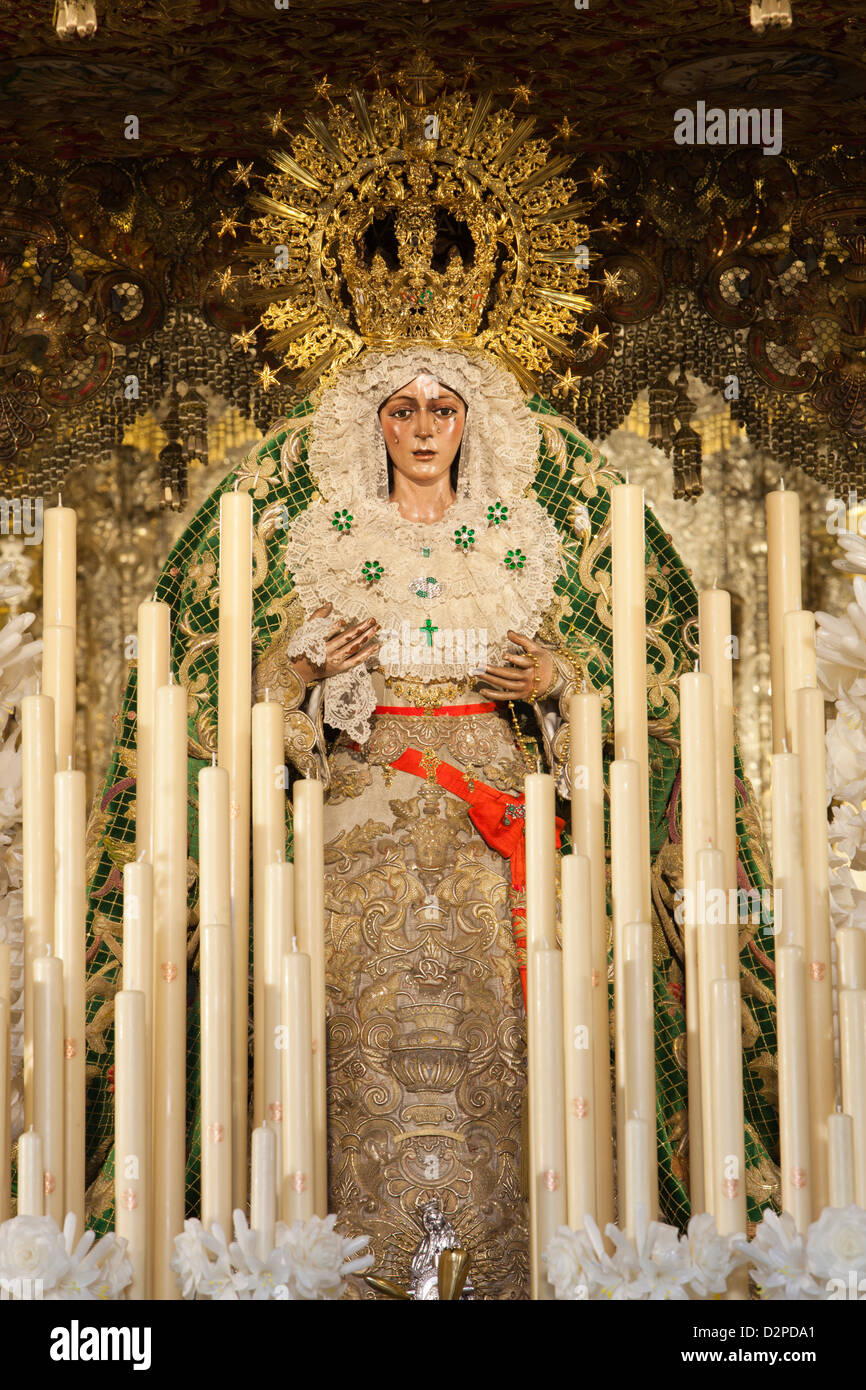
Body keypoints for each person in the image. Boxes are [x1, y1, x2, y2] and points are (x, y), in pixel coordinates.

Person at [82, 345, 781, 1300]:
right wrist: (300, 673)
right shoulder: (326, 539)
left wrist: (558, 685)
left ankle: (515, 1269)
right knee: (343, 1033)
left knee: (509, 1041)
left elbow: (631, 720)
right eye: (401, 410)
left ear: (469, 425)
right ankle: (343, 1268)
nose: (420, 428)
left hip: (502, 844)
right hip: (354, 842)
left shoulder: (528, 543)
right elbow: (247, 727)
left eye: (441, 410)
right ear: (372, 427)